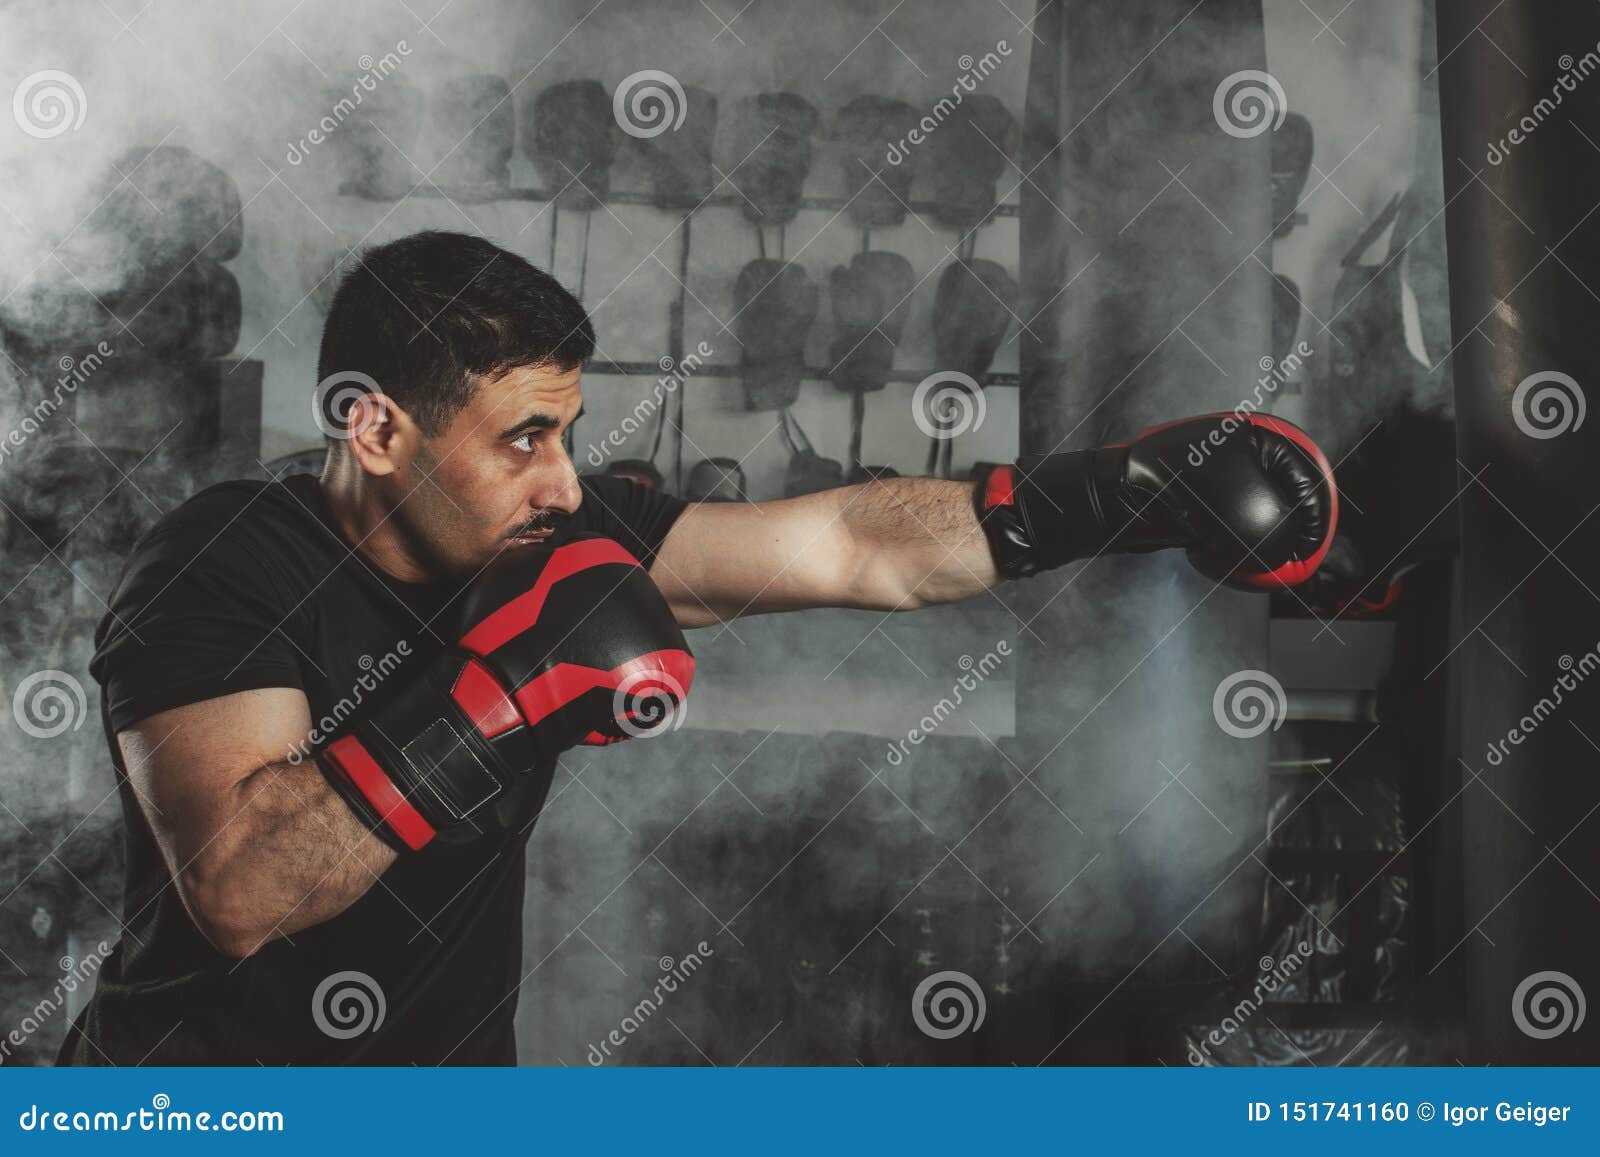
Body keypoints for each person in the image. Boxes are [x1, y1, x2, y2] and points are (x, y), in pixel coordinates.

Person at [58, 230, 1335, 1065]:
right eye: (522, 439)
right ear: (379, 433)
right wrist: (490, 695)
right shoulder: (221, 565)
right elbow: (236, 893)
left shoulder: (550, 535)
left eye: (568, 431)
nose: (565, 482)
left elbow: (847, 543)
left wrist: (1104, 497)